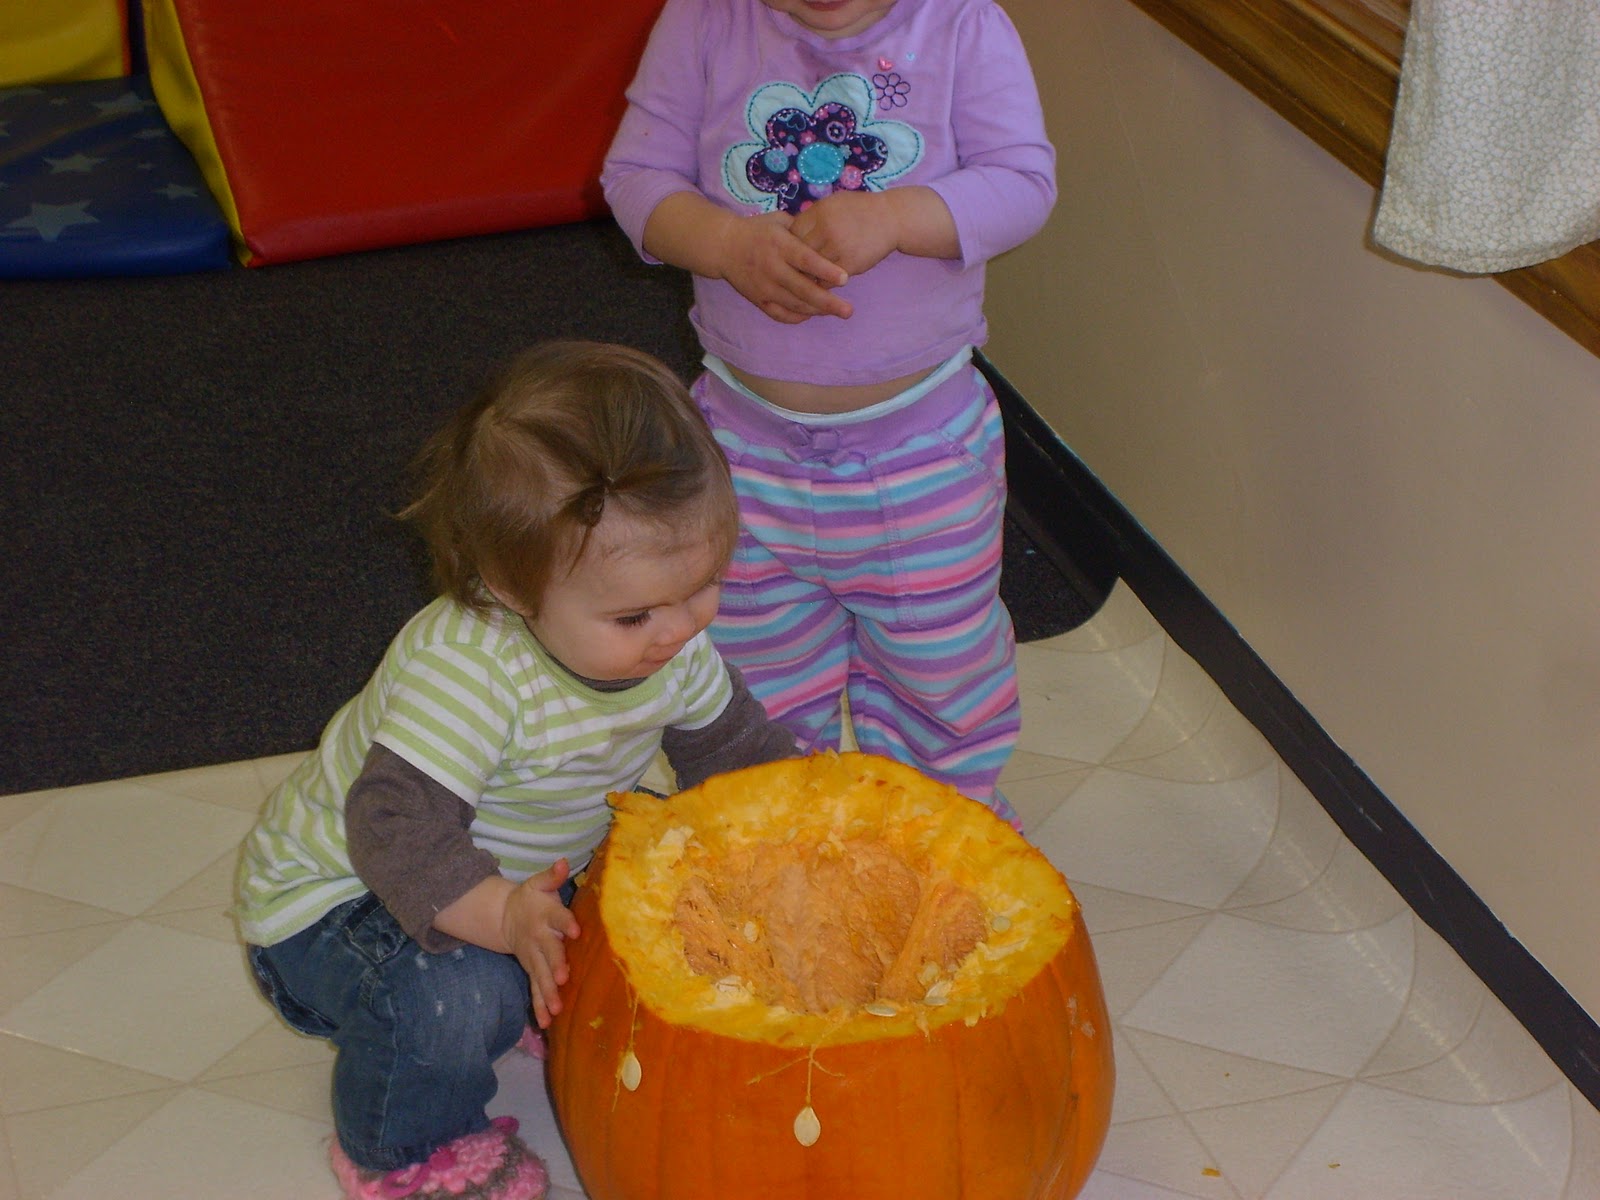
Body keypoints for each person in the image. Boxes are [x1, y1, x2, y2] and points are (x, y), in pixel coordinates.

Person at [234, 341, 798, 1200]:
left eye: (705, 584)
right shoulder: (468, 670)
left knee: (655, 850)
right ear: (508, 586)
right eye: (638, 613)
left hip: (512, 870)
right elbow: (390, 825)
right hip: (342, 903)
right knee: (457, 994)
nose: (680, 629)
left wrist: (802, 813)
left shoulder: (667, 637)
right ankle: (403, 1149)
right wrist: (501, 917)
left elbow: (731, 749)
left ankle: (530, 971)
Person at [601, 0, 1057, 826]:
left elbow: (1023, 184)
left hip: (924, 454)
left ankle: (934, 837)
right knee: (747, 689)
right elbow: (636, 179)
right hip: (740, 450)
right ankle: (781, 845)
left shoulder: (962, 24)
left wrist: (896, 215)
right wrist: (727, 245)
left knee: (943, 683)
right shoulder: (704, 20)